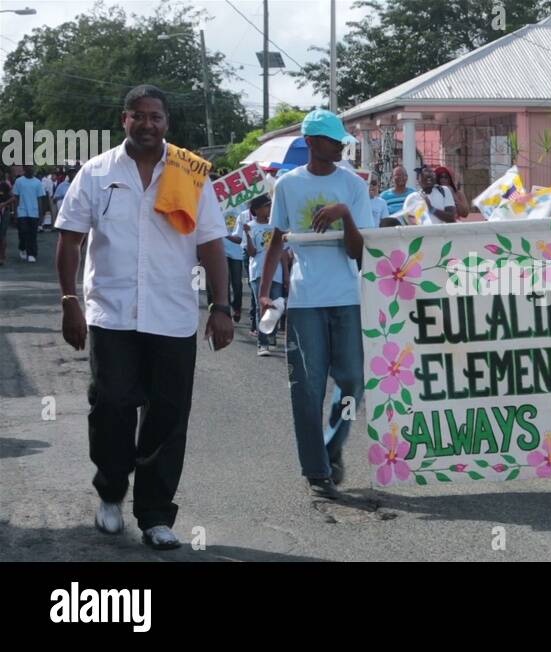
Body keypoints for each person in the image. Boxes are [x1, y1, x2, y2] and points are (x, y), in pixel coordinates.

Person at [54, 84, 233, 549]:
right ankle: (111, 494)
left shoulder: (191, 174)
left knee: (168, 416)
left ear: (166, 122)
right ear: (124, 120)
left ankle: (155, 514)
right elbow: (70, 238)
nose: (148, 124)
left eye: (156, 116)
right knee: (111, 405)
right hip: (112, 315)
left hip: (171, 316)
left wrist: (222, 306)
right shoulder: (95, 173)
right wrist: (69, 301)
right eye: (139, 115)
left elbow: (211, 243)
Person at [258, 109, 374, 499]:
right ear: (312, 143)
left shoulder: (353, 186)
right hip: (306, 300)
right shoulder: (289, 186)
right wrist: (263, 291)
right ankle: (316, 470)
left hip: (348, 297)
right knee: (306, 388)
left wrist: (345, 216)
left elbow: (361, 253)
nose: (341, 146)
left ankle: (332, 442)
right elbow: (276, 240)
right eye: (333, 140)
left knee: (353, 382)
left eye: (342, 140)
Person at [242, 194, 288, 356]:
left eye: (271, 206)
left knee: (275, 305)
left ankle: (272, 336)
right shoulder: (250, 226)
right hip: (257, 272)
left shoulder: (277, 225)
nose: (269, 209)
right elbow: (252, 252)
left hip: (277, 273)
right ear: (257, 209)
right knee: (261, 305)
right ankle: (263, 343)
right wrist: (247, 235)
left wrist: (287, 276)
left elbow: (282, 252)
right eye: (266, 206)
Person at [12, 165, 46, 263]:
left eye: (32, 167)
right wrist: (15, 213)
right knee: (23, 232)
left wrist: (41, 214)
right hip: (22, 211)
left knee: (32, 234)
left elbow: (40, 199)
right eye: (29, 167)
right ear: (24, 169)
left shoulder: (38, 183)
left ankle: (31, 254)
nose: (31, 169)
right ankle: (22, 247)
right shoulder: (19, 182)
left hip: (34, 212)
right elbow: (16, 198)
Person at [0, 173, 14, 266]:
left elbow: (13, 197)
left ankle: (2, 257)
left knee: (2, 234)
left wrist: (4, 204)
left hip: (4, 211)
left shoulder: (4, 185)